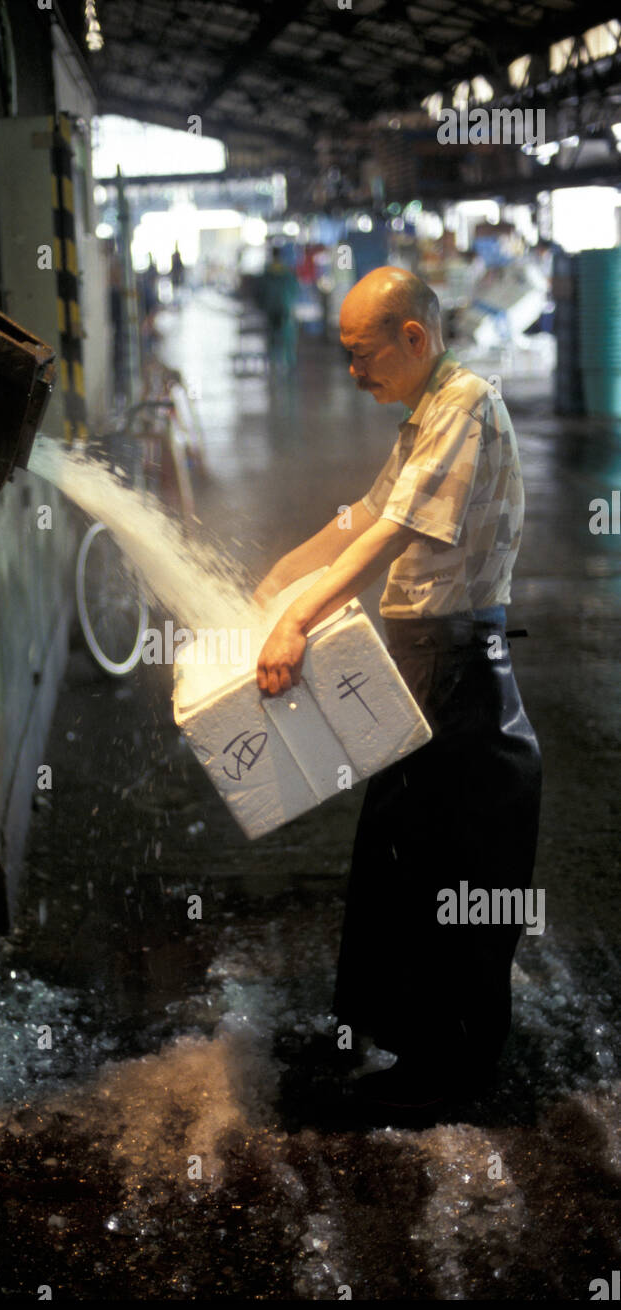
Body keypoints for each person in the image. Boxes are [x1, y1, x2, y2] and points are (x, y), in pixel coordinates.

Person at [254, 266, 541, 1119]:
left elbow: (391, 532)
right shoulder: (427, 413)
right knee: (396, 864)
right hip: (423, 669)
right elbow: (359, 515)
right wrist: (276, 582)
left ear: (414, 338)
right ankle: (381, 1037)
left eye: (361, 354)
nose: (353, 373)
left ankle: (446, 1070)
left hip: (460, 678)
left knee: (448, 871)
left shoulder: (466, 404)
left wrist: (296, 619)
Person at [260, 245, 300, 370]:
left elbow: (261, 292)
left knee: (272, 336)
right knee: (287, 337)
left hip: (271, 308)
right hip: (284, 307)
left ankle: (273, 362)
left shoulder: (267, 273)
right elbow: (295, 290)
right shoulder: (287, 272)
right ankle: (289, 362)